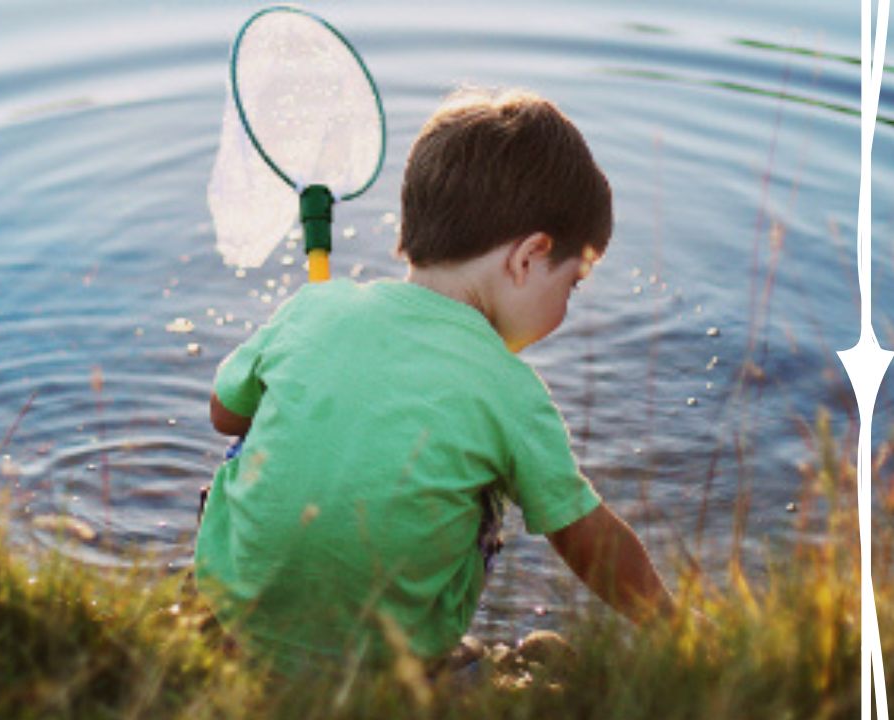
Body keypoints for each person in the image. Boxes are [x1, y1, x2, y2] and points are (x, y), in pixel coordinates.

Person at [194, 87, 675, 676]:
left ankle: (235, 621)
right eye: (570, 285)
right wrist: (674, 626)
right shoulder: (510, 389)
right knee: (488, 482)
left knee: (257, 433)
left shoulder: (313, 309)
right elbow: (585, 537)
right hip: (389, 663)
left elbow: (223, 413)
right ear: (529, 257)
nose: (566, 310)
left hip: (238, 612)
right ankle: (427, 658)